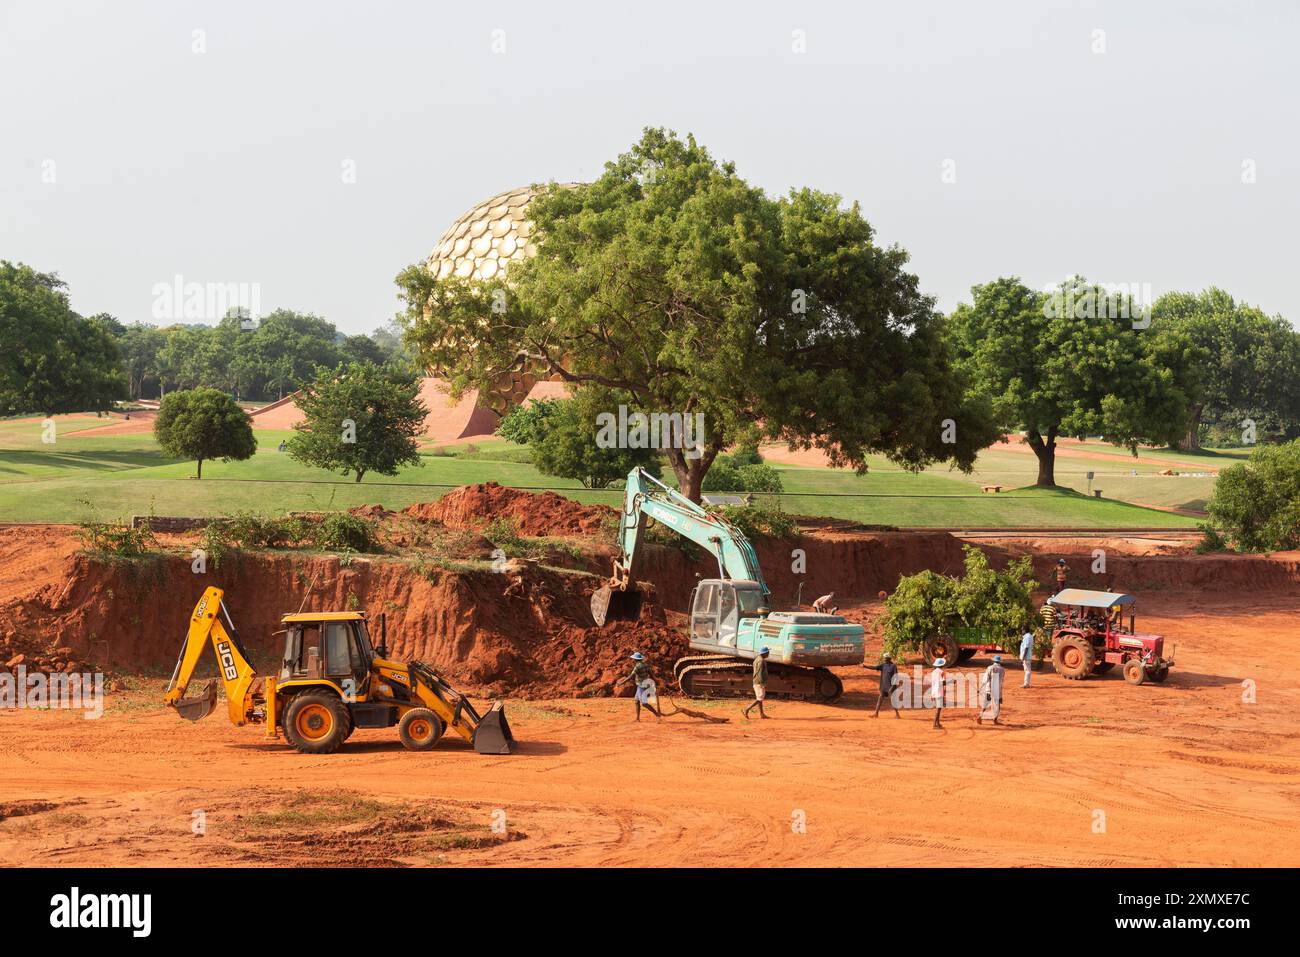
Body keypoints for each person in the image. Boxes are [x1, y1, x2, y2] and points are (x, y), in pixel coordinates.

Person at [616, 652, 661, 722]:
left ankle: (657, 715)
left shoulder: (637, 667)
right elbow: (651, 675)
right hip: (644, 685)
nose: (633, 660)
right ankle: (637, 718)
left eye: (633, 659)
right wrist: (656, 682)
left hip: (641, 686)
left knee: (644, 703)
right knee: (637, 701)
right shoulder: (645, 665)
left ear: (635, 660)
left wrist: (621, 683)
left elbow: (630, 676)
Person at [864, 653, 901, 718]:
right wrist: (865, 666)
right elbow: (874, 667)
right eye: (884, 658)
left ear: (889, 659)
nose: (884, 659)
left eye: (885, 658)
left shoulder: (893, 666)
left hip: (891, 686)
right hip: (883, 686)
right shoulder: (883, 665)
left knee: (893, 701)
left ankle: (897, 714)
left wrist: (892, 687)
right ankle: (876, 713)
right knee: (880, 699)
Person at [743, 647, 771, 719]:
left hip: (756, 681)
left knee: (759, 698)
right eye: (767, 652)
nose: (768, 654)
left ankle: (762, 714)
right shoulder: (761, 661)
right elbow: (759, 673)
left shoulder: (757, 659)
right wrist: (762, 683)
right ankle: (746, 709)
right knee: (760, 698)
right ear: (764, 653)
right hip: (759, 682)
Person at [978, 655, 1005, 725]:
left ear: (993, 661)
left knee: (986, 703)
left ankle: (980, 716)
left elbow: (985, 679)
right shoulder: (1002, 669)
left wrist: (980, 688)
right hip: (997, 690)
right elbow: (1001, 681)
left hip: (989, 689)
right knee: (997, 705)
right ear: (1000, 662)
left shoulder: (989, 668)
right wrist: (1001, 696)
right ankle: (995, 720)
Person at [929, 657, 953, 729]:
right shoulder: (941, 672)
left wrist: (932, 694)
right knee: (938, 709)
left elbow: (933, 683)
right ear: (942, 665)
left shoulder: (933, 672)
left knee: (938, 708)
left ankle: (938, 723)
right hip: (939, 692)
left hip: (934, 691)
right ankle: (934, 724)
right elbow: (943, 683)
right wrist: (951, 681)